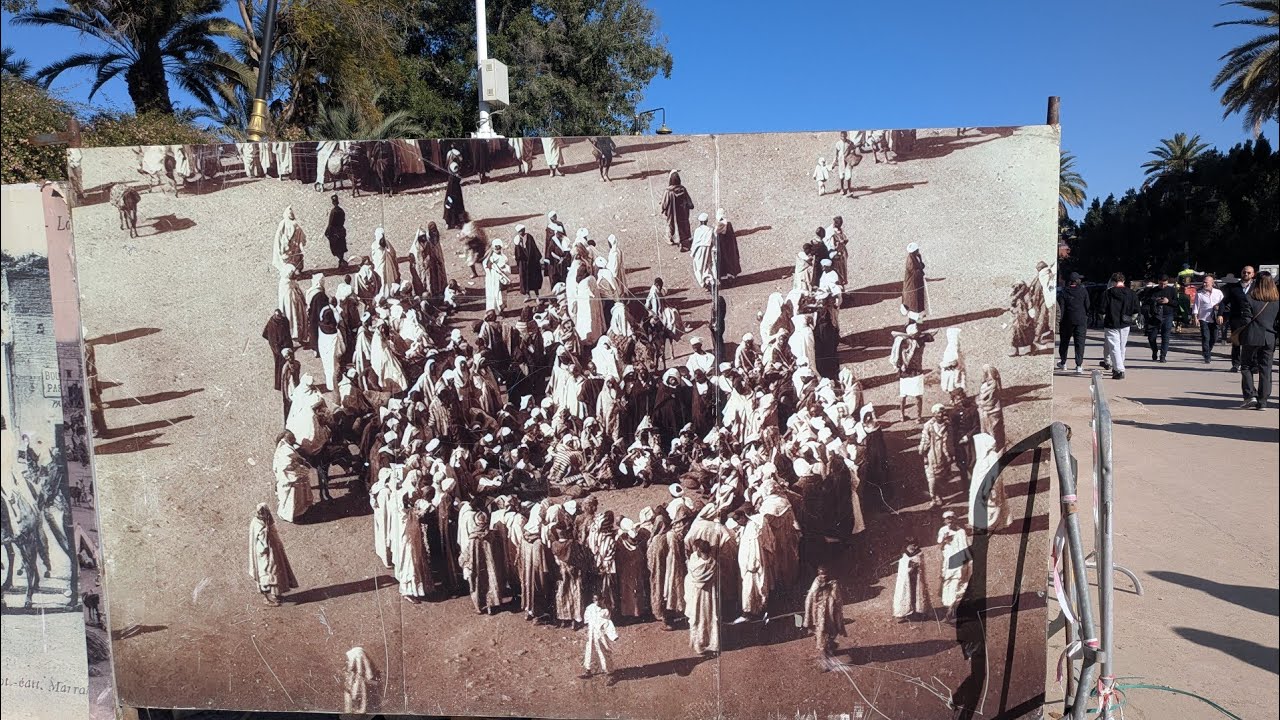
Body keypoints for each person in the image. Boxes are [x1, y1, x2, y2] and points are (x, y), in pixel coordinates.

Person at [1237, 274, 1278, 410]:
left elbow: (1246, 319)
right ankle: (1263, 401)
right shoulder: (1276, 300)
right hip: (1270, 337)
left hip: (1252, 336)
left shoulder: (1249, 298)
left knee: (1246, 366)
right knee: (1266, 369)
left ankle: (1250, 395)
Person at [249, 503, 298, 606]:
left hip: (273, 552)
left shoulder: (267, 520)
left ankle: (275, 594)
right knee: (265, 574)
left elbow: (273, 532)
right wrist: (265, 532)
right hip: (263, 554)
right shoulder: (256, 523)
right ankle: (266, 598)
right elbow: (260, 540)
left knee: (275, 571)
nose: (261, 514)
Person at [1099, 273, 1139, 380]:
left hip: (1111, 323)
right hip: (1125, 323)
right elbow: (1136, 310)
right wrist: (1130, 320)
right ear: (1123, 281)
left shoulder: (1107, 293)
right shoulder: (1132, 293)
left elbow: (1101, 310)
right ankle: (1118, 367)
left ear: (1112, 282)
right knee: (1122, 346)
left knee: (1114, 347)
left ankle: (1119, 370)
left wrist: (1104, 319)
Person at [684, 537, 720, 655]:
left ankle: (698, 644)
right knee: (709, 616)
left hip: (697, 595)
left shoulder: (695, 566)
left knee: (697, 617)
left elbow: (691, 575)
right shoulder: (713, 563)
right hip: (709, 595)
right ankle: (711, 642)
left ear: (699, 550)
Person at [802, 565, 846, 660]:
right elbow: (810, 598)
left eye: (824, 574)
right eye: (821, 574)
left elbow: (837, 599)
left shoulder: (829, 583)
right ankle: (825, 651)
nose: (823, 576)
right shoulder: (820, 583)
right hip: (822, 612)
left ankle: (827, 646)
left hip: (827, 611)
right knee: (824, 630)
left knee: (827, 629)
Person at [1221, 266, 1256, 372]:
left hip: (1252, 318)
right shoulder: (1234, 287)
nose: (1246, 274)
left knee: (1252, 342)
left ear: (1253, 274)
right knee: (1236, 342)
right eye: (1244, 272)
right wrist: (1220, 314)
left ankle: (1253, 364)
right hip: (1237, 318)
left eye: (1248, 273)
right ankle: (1236, 364)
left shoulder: (1256, 287)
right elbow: (1224, 301)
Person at [937, 511, 970, 621]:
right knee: (947, 585)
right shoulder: (942, 530)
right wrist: (945, 540)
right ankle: (950, 612)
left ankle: (951, 614)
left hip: (958, 563)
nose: (949, 521)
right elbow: (940, 546)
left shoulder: (961, 532)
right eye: (947, 519)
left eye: (951, 518)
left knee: (956, 586)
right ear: (944, 521)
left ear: (955, 519)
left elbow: (965, 549)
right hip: (947, 562)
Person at [918, 404, 953, 508]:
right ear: (934, 414)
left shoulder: (947, 425)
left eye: (942, 412)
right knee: (932, 479)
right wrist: (924, 455)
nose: (941, 415)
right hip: (932, 455)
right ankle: (933, 498)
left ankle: (939, 496)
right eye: (938, 413)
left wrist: (950, 454)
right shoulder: (929, 426)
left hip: (944, 455)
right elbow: (924, 441)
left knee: (942, 479)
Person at [1056, 272, 1091, 374]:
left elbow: (1061, 308)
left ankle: (1063, 362)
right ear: (1077, 281)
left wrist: (1060, 321)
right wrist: (1086, 316)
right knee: (1080, 343)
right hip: (1080, 320)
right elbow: (1087, 305)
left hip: (1067, 321)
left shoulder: (1064, 292)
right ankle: (1079, 365)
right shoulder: (1083, 291)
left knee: (1064, 342)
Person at [581, 592, 620, 681]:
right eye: (595, 600)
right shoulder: (590, 608)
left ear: (603, 600)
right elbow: (587, 621)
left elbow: (608, 624)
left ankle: (609, 672)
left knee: (604, 651)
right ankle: (588, 670)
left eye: (599, 600)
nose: (597, 602)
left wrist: (613, 635)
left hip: (601, 635)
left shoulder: (605, 611)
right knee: (590, 651)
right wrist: (587, 632)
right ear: (593, 600)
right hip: (592, 634)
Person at [1142, 275, 1178, 363]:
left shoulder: (1172, 290)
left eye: (1165, 284)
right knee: (1151, 337)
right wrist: (1155, 300)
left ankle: (1163, 356)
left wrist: (1168, 301)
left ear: (1167, 282)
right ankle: (1154, 350)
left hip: (1167, 315)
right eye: (1161, 284)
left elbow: (1176, 303)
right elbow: (1146, 301)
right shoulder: (1152, 291)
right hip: (1154, 316)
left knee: (1165, 336)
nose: (1163, 286)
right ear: (1158, 282)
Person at [892, 540, 930, 621]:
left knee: (916, 593)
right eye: (912, 545)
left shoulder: (919, 554)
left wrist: (916, 566)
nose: (915, 547)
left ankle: (918, 612)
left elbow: (921, 565)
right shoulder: (904, 555)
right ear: (907, 546)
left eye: (915, 545)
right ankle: (903, 613)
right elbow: (903, 568)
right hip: (906, 579)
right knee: (906, 593)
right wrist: (910, 566)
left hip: (916, 578)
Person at [1192, 273, 1224, 364]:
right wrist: (1195, 318)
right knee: (1206, 337)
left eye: (1206, 282)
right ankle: (1207, 356)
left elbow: (1223, 304)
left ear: (1212, 283)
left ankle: (1207, 350)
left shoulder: (1218, 293)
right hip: (1204, 318)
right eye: (1203, 282)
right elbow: (1196, 306)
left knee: (1214, 337)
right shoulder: (1199, 294)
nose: (1204, 284)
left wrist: (1219, 309)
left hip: (1215, 318)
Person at [660, 171, 695, 250]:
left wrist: (663, 209)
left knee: (671, 225)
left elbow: (664, 203)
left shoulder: (668, 191)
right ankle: (683, 240)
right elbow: (689, 202)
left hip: (672, 213)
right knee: (683, 226)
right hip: (683, 213)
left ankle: (671, 239)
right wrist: (690, 205)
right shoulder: (683, 189)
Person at [262, 309, 293, 390]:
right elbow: (266, 334)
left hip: (283, 347)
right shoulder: (274, 323)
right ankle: (280, 384)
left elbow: (265, 334)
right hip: (279, 348)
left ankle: (283, 383)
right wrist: (275, 345)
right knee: (280, 365)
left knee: (283, 365)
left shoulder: (278, 321)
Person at [273, 206, 306, 274]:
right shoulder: (283, 223)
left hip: (294, 246)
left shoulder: (295, 224)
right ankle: (287, 271)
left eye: (291, 213)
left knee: (295, 258)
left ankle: (295, 269)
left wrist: (301, 244)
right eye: (289, 214)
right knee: (286, 259)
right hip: (286, 245)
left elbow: (301, 235)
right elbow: (279, 235)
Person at [901, 242, 929, 320]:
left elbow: (920, 266)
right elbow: (915, 272)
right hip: (912, 285)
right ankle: (914, 323)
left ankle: (919, 322)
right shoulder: (910, 261)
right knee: (913, 307)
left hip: (918, 284)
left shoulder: (917, 256)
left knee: (919, 306)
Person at [715, 209, 742, 282]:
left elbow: (715, 233)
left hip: (722, 246)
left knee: (723, 260)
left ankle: (723, 276)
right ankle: (731, 275)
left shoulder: (719, 225)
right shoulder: (729, 224)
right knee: (730, 259)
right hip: (730, 246)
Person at [325, 194, 348, 268]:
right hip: (341, 230)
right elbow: (343, 220)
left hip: (335, 232)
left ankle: (341, 261)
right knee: (341, 247)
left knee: (335, 247)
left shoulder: (333, 211)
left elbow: (331, 223)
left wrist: (327, 231)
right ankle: (341, 261)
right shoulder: (341, 210)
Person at [443, 160, 466, 229]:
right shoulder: (452, 179)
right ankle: (453, 223)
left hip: (454, 195)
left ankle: (453, 223)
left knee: (452, 209)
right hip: (453, 196)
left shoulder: (453, 177)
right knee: (453, 209)